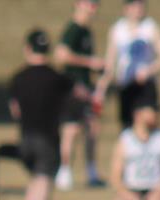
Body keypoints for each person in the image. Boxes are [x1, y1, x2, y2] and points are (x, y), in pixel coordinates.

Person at [9, 29, 69, 200]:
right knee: (43, 184)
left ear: (27, 49)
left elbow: (15, 110)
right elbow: (74, 102)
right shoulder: (57, 78)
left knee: (35, 183)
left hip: (25, 139)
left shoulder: (18, 78)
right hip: (47, 139)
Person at [52, 0, 106, 190]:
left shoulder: (87, 31)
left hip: (86, 89)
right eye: (89, 3)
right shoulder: (73, 29)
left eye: (95, 4)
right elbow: (61, 55)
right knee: (71, 129)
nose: (92, 8)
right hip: (73, 89)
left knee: (92, 129)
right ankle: (64, 171)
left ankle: (91, 172)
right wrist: (90, 62)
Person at [102, 0, 160, 131]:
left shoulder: (150, 27)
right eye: (134, 5)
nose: (138, 8)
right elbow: (110, 62)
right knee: (127, 127)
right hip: (126, 85)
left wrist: (149, 71)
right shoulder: (117, 30)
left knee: (149, 122)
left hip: (146, 85)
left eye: (140, 5)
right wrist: (102, 88)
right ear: (126, 8)